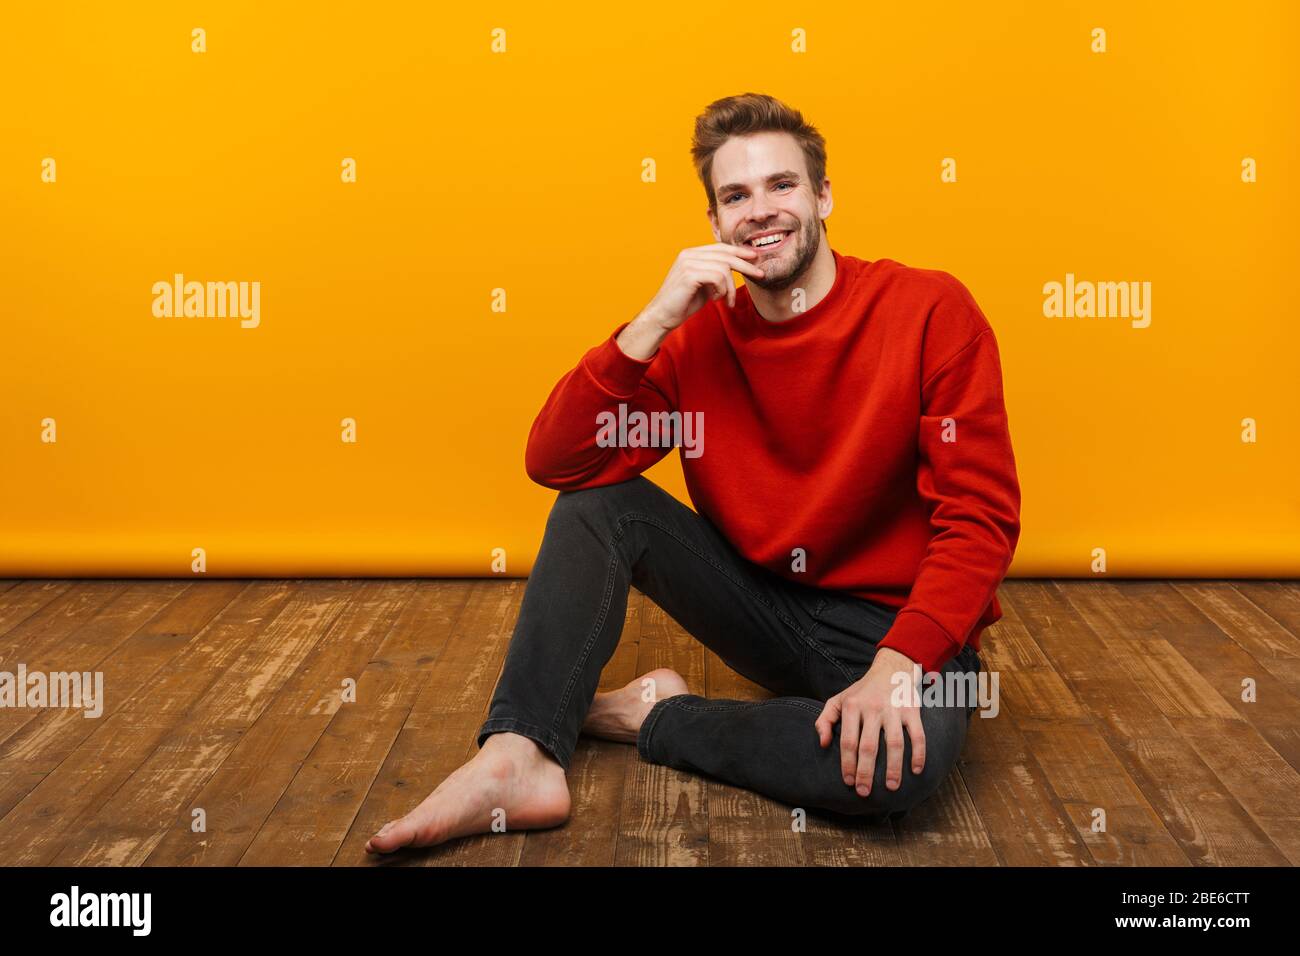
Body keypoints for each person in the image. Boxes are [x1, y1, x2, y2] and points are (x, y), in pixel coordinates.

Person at [366, 92, 1021, 853]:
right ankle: (518, 756)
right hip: (770, 609)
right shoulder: (697, 339)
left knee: (894, 773)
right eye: (735, 196)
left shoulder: (930, 309)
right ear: (714, 225)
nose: (761, 211)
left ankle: (652, 715)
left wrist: (899, 665)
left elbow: (981, 514)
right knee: (598, 508)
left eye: (781, 185)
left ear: (824, 196)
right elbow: (558, 461)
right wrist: (653, 321)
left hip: (905, 626)